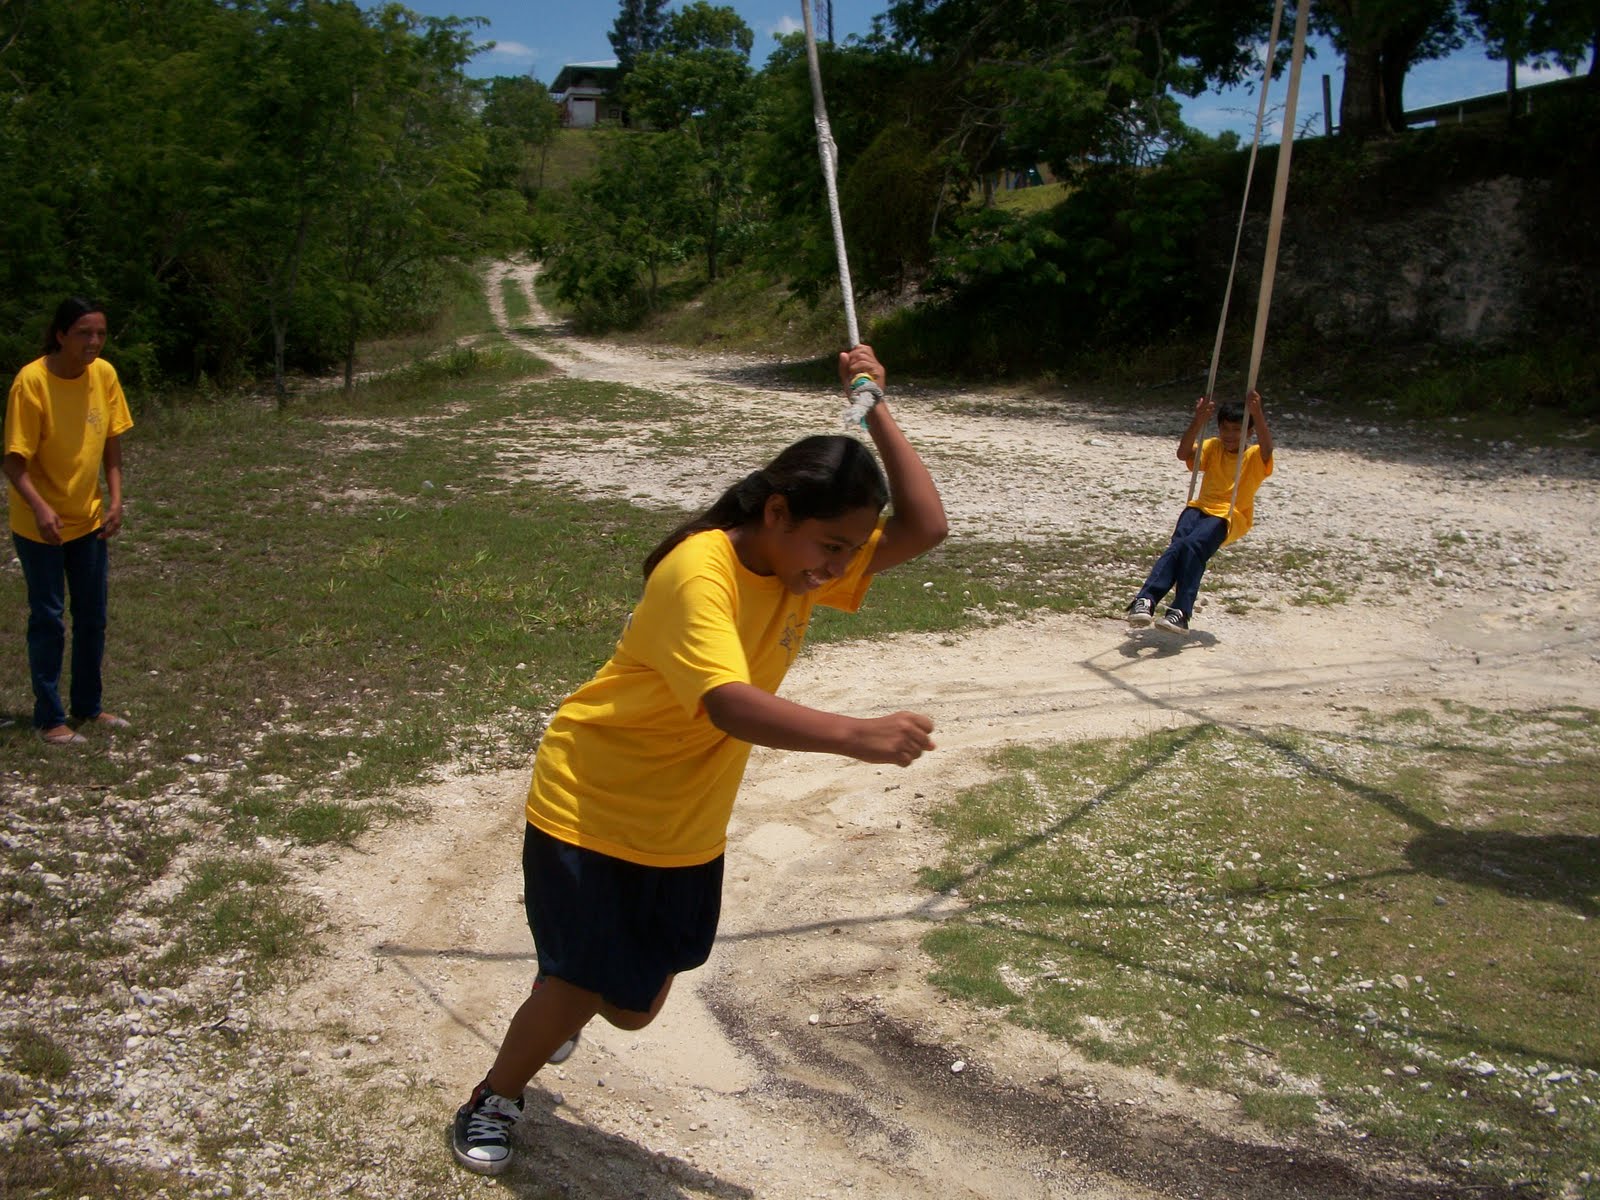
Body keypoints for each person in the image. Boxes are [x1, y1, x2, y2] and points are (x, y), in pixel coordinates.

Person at [451, 344, 947, 1175]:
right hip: (593, 799)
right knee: (576, 983)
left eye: (851, 549)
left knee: (635, 1007)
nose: (837, 567)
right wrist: (857, 734)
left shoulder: (800, 567)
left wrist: (872, 404)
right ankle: (495, 1096)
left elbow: (926, 527)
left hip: (684, 821)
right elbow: (728, 703)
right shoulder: (700, 570)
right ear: (778, 513)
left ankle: (562, 998)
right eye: (831, 545)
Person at [4, 298, 134, 745]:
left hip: (89, 519)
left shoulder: (105, 375)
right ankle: (49, 718)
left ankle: (87, 706)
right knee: (48, 618)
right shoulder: (32, 382)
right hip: (41, 522)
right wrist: (40, 508)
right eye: (83, 333)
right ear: (61, 334)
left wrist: (116, 498)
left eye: (99, 333)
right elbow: (13, 460)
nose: (93, 342)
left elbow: (112, 443)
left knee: (93, 616)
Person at [1125, 390, 1274, 634]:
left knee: (1192, 545)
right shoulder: (1214, 446)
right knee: (1178, 546)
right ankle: (1148, 601)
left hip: (1229, 514)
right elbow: (1183, 454)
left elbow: (1268, 448)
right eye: (1225, 429)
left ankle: (1181, 611)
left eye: (1237, 430)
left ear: (1249, 432)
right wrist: (1198, 421)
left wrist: (1257, 414)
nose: (1229, 436)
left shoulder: (1255, 455)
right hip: (1199, 507)